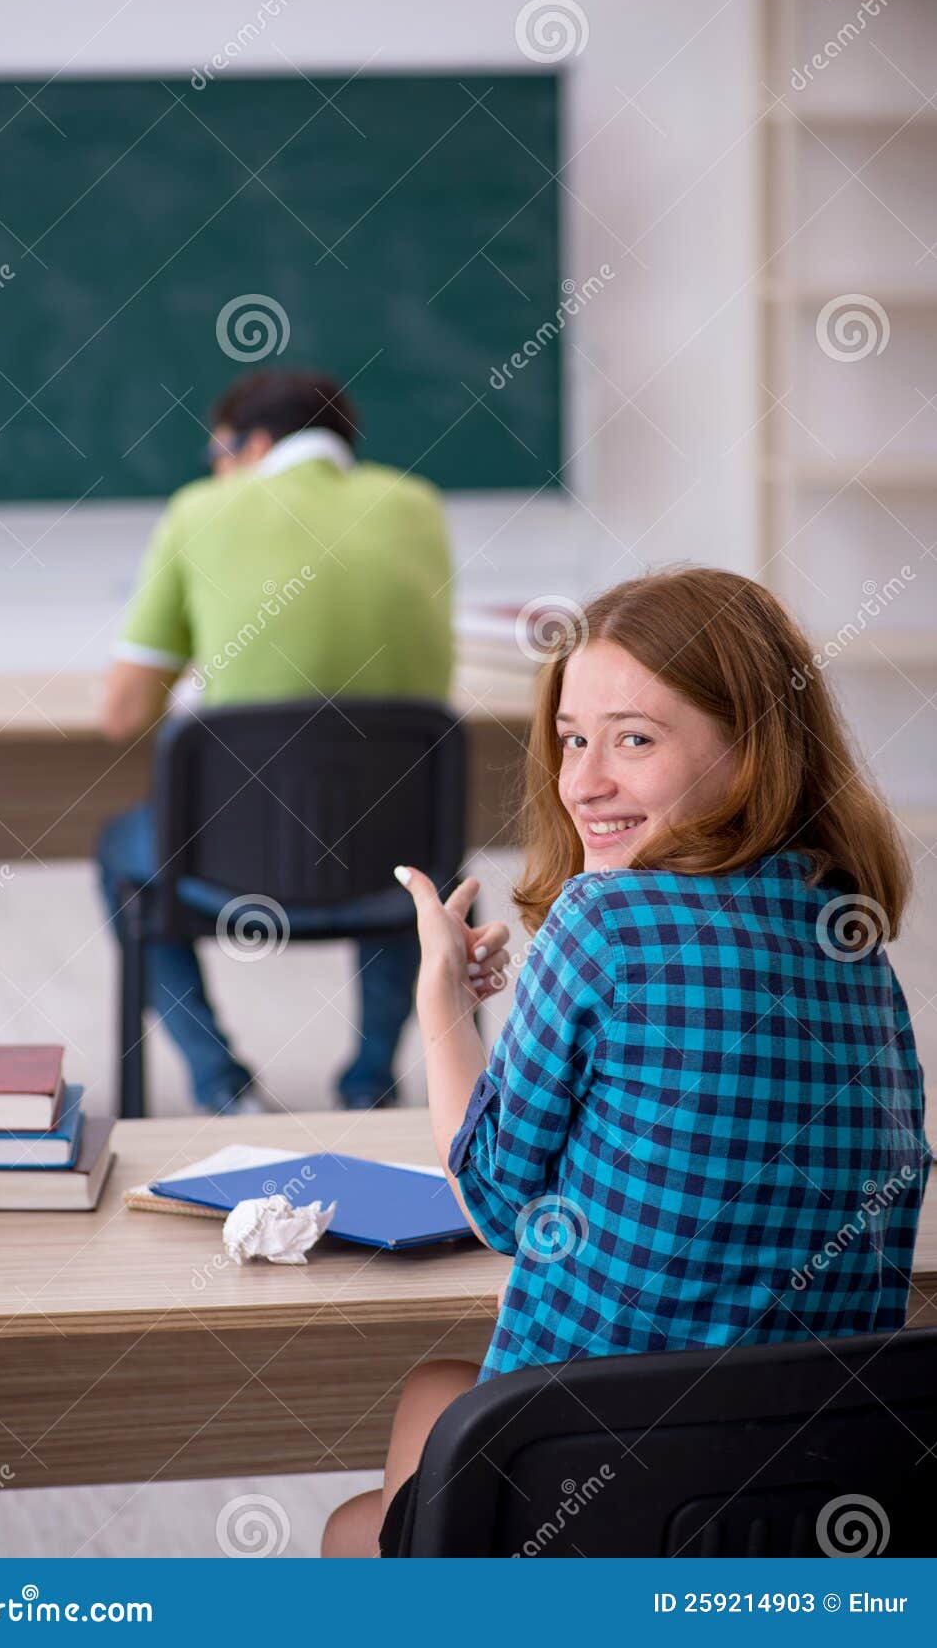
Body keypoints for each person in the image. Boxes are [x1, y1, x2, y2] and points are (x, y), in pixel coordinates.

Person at [321, 564, 931, 1557]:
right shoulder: (852, 940)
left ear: (752, 746)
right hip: (803, 1511)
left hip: (605, 1504)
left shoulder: (602, 919)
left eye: (634, 740)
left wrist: (442, 1007)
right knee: (438, 1394)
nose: (584, 781)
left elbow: (501, 1204)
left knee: (361, 1527)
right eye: (571, 739)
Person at [97, 370, 455, 1114]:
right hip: (388, 869)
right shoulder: (416, 507)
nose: (216, 470)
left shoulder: (202, 511)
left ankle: (221, 1085)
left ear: (253, 443)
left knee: (118, 850)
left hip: (232, 870)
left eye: (218, 452)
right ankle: (368, 1085)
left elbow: (124, 712)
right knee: (400, 844)